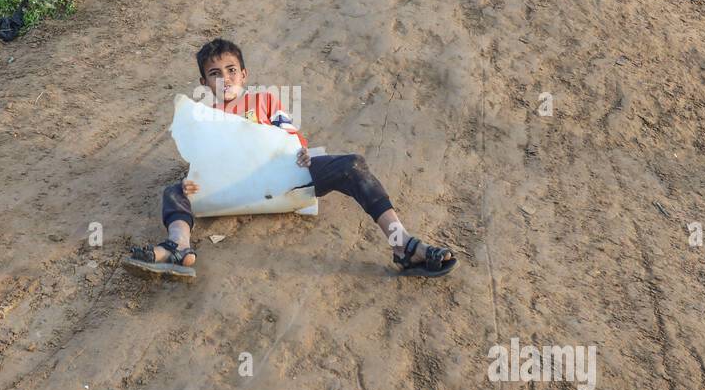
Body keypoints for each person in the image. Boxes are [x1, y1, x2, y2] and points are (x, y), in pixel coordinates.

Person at [125, 39, 457, 279]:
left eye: (230, 70)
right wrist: (191, 182)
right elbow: (203, 164)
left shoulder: (265, 101)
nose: (223, 79)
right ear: (203, 82)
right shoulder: (204, 117)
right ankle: (177, 246)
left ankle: (402, 244)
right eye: (214, 73)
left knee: (352, 165)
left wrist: (299, 149)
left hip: (282, 177)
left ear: (243, 74)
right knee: (174, 190)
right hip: (234, 189)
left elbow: (290, 134)